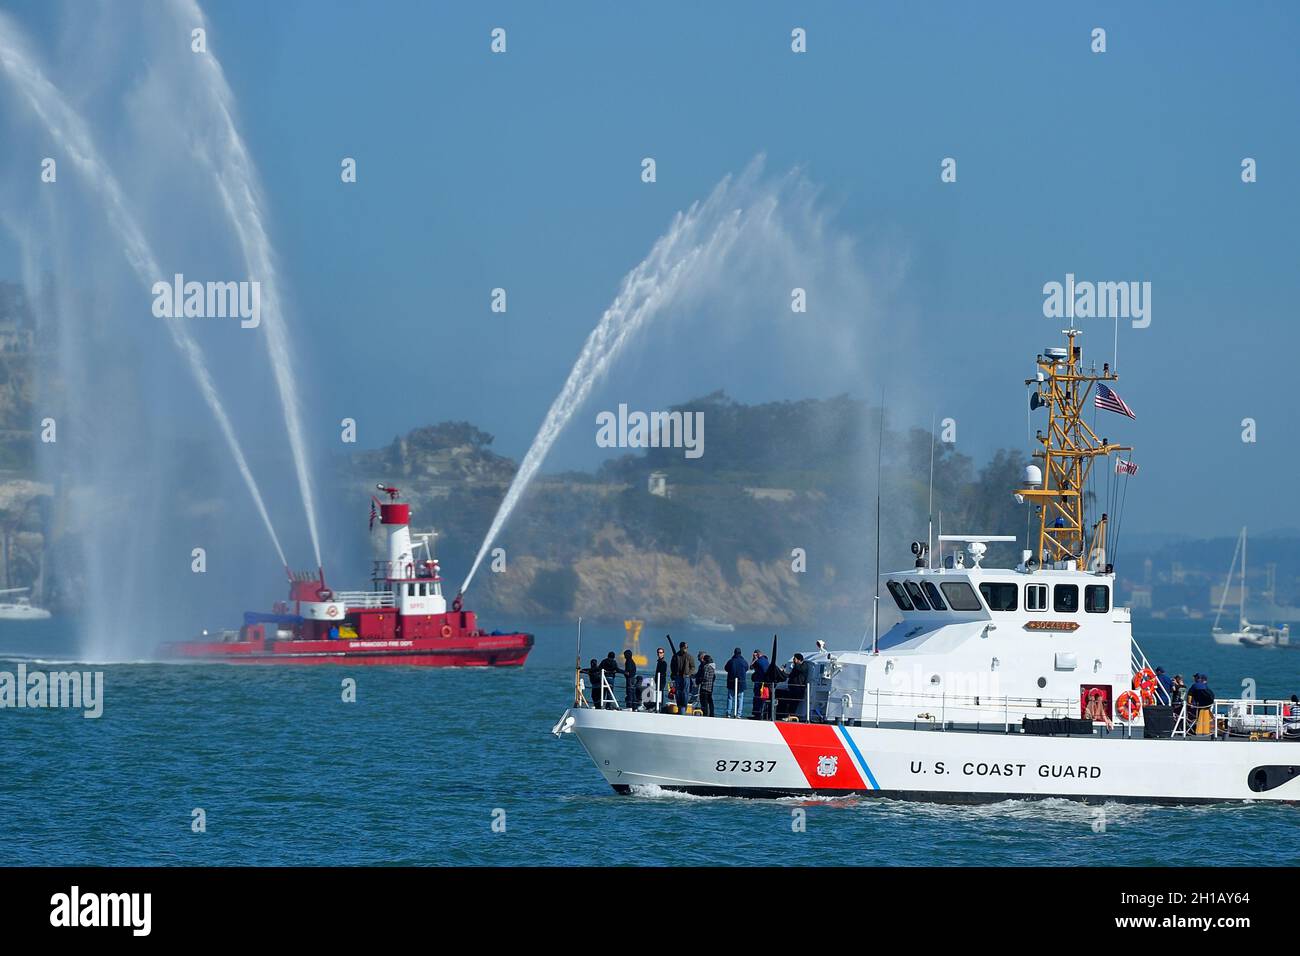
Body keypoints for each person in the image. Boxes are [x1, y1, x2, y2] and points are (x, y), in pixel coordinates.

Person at [781, 652, 810, 719]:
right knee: (789, 702)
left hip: (799, 689)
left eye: (795, 659)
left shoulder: (804, 665)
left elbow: (801, 669)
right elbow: (791, 675)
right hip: (793, 688)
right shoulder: (796, 666)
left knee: (794, 703)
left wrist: (796, 663)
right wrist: (783, 672)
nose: (794, 660)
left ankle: (790, 716)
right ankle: (787, 716)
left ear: (799, 659)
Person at [671, 641, 696, 713]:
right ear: (681, 648)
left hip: (686, 678)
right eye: (685, 647)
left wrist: (688, 674)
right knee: (678, 693)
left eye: (687, 647)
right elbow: (672, 665)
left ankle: (683, 708)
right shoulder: (675, 656)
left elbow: (693, 667)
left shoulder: (689, 657)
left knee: (685, 693)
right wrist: (673, 674)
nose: (686, 649)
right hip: (678, 677)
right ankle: (679, 707)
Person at [724, 647, 748, 718]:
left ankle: (728, 713)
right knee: (740, 698)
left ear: (734, 653)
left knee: (730, 698)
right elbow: (747, 668)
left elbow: (726, 668)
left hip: (731, 682)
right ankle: (739, 714)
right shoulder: (744, 662)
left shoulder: (731, 661)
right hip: (741, 683)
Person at [750, 649, 770, 719]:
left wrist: (754, 659)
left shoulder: (758, 661)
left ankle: (757, 714)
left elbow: (751, 666)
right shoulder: (766, 660)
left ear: (757, 654)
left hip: (759, 683)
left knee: (757, 698)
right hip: (765, 683)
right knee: (763, 699)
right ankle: (762, 713)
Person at [653, 647, 669, 711]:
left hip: (661, 681)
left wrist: (659, 677)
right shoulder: (659, 662)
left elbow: (662, 672)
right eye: (658, 652)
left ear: (663, 654)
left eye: (661, 652)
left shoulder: (663, 663)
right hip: (658, 680)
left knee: (661, 694)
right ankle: (659, 707)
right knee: (658, 694)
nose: (659, 654)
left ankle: (662, 707)